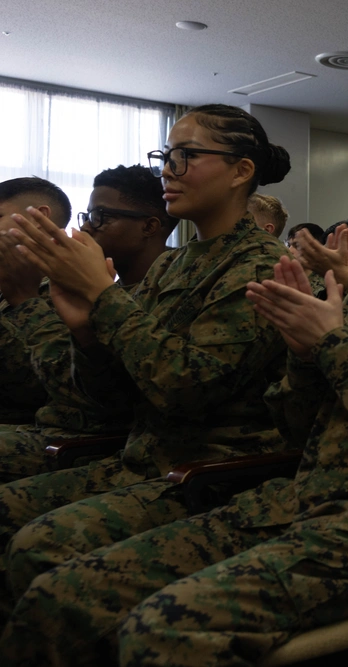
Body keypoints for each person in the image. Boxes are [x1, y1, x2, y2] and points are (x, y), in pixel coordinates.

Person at [0, 128, 348, 667]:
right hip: (307, 501)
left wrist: (331, 344)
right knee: (62, 592)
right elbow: (300, 432)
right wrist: (303, 356)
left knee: (162, 628)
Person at [0, 104, 294, 607]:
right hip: (142, 460)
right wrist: (86, 333)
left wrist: (105, 298)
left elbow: (188, 390)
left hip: (214, 475)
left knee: (38, 548)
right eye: (166, 156)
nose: (167, 171)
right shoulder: (170, 267)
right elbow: (111, 401)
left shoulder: (263, 266)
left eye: (186, 156)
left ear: (240, 171)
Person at [0, 166, 177, 484]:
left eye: (100, 217)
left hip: (94, 443)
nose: (84, 227)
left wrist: (25, 300)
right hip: (56, 430)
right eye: (87, 215)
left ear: (149, 226)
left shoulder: (149, 297)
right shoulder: (113, 293)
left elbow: (52, 390)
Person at [0, 178, 73, 427]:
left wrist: (23, 298)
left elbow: (37, 388)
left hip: (27, 427)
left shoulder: (69, 287)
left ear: (37, 218)